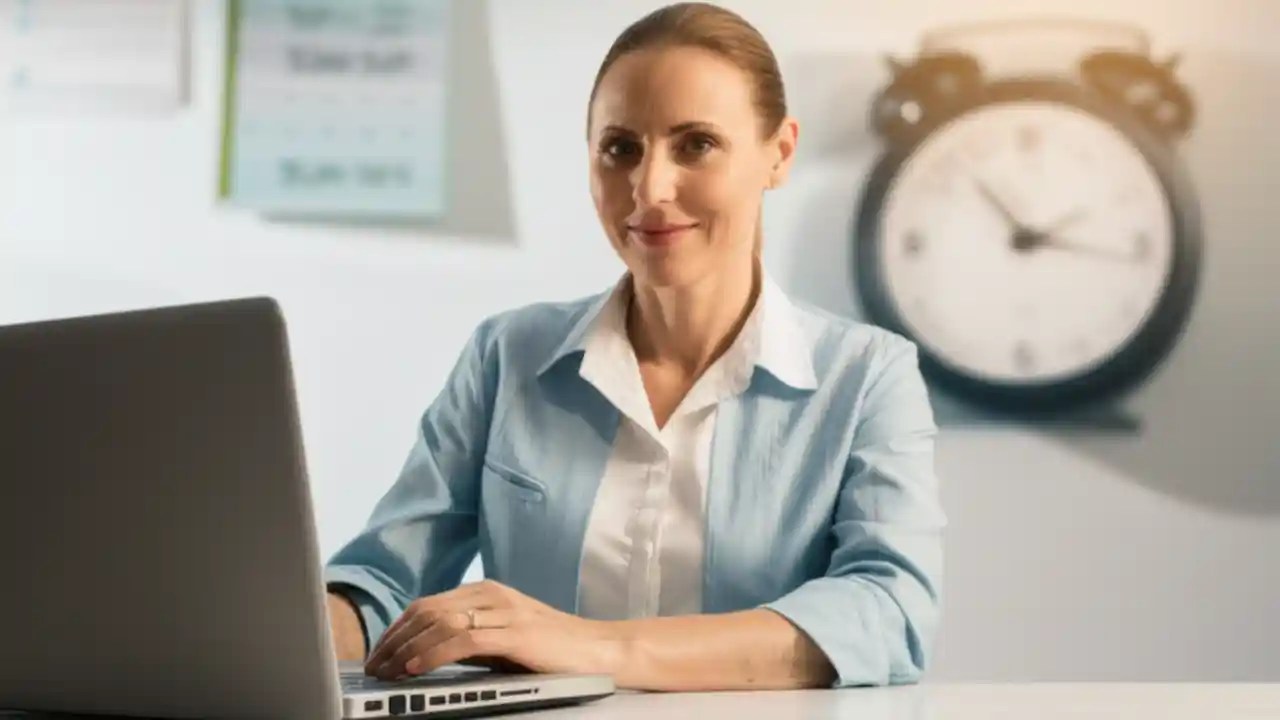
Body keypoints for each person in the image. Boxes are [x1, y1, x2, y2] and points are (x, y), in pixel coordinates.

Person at [322, 2, 945, 692]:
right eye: (621, 148)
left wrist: (590, 647)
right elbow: (382, 584)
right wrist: (255, 627)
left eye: (696, 144)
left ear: (779, 153)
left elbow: (888, 614)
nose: (649, 189)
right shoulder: (508, 356)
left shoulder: (866, 377)